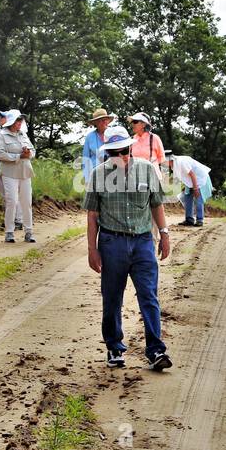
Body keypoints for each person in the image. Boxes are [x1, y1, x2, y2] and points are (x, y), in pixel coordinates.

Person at [84, 127, 172, 371]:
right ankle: (114, 346)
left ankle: (156, 350)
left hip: (143, 241)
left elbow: (157, 205)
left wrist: (164, 234)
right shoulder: (98, 175)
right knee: (112, 297)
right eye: (114, 152)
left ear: (131, 148)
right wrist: (92, 249)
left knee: (149, 296)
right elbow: (92, 215)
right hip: (112, 243)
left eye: (123, 150)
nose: (120, 156)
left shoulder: (147, 170)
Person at [0, 110, 36, 243]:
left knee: (27, 202)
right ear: (12, 121)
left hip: (25, 172)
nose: (20, 123)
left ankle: (29, 231)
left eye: (21, 120)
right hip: (9, 173)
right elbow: (0, 154)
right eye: (18, 120)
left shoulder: (23, 134)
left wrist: (28, 153)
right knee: (11, 201)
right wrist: (18, 156)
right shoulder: (2, 135)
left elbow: (33, 151)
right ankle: (9, 232)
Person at [168, 153, 212, 227]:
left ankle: (199, 220)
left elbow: (192, 174)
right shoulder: (174, 164)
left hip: (199, 179)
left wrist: (195, 188)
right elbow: (185, 176)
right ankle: (189, 220)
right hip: (191, 181)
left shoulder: (181, 162)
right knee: (187, 197)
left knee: (198, 199)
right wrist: (186, 186)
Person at [82, 107, 115, 185]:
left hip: (112, 173)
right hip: (94, 174)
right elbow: (85, 159)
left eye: (105, 119)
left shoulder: (114, 134)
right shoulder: (89, 137)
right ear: (95, 123)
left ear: (108, 121)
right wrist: (87, 179)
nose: (103, 122)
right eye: (100, 120)